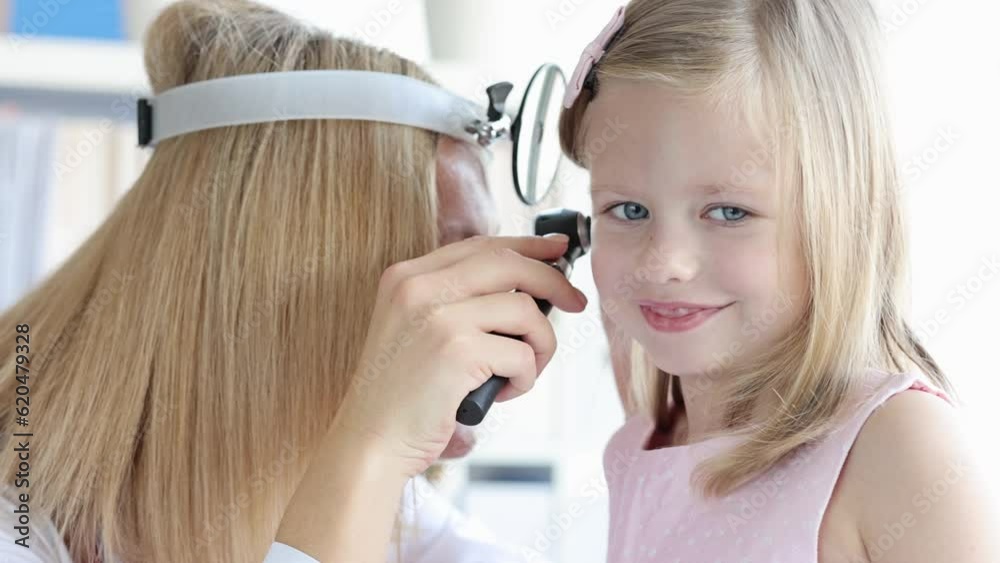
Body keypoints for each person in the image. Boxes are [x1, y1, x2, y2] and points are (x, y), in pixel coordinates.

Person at [273, 1, 1000, 562]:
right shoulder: (651, 432)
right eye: (628, 209)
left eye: (727, 210)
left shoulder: (900, 446)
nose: (662, 262)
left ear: (845, 214)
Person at [0, 0, 564, 561]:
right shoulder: (18, 523)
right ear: (282, 279)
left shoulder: (392, 516)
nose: (488, 319)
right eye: (448, 266)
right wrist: (373, 449)